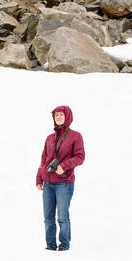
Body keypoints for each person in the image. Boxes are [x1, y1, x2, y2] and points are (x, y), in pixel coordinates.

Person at [35, 105, 85, 251]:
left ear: (67, 116)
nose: (58, 117)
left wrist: (64, 165)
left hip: (64, 183)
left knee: (62, 217)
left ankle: (64, 244)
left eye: (61, 115)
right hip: (48, 183)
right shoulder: (50, 138)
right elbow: (43, 159)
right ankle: (50, 245)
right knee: (48, 218)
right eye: (56, 115)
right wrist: (39, 178)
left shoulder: (76, 136)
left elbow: (80, 157)